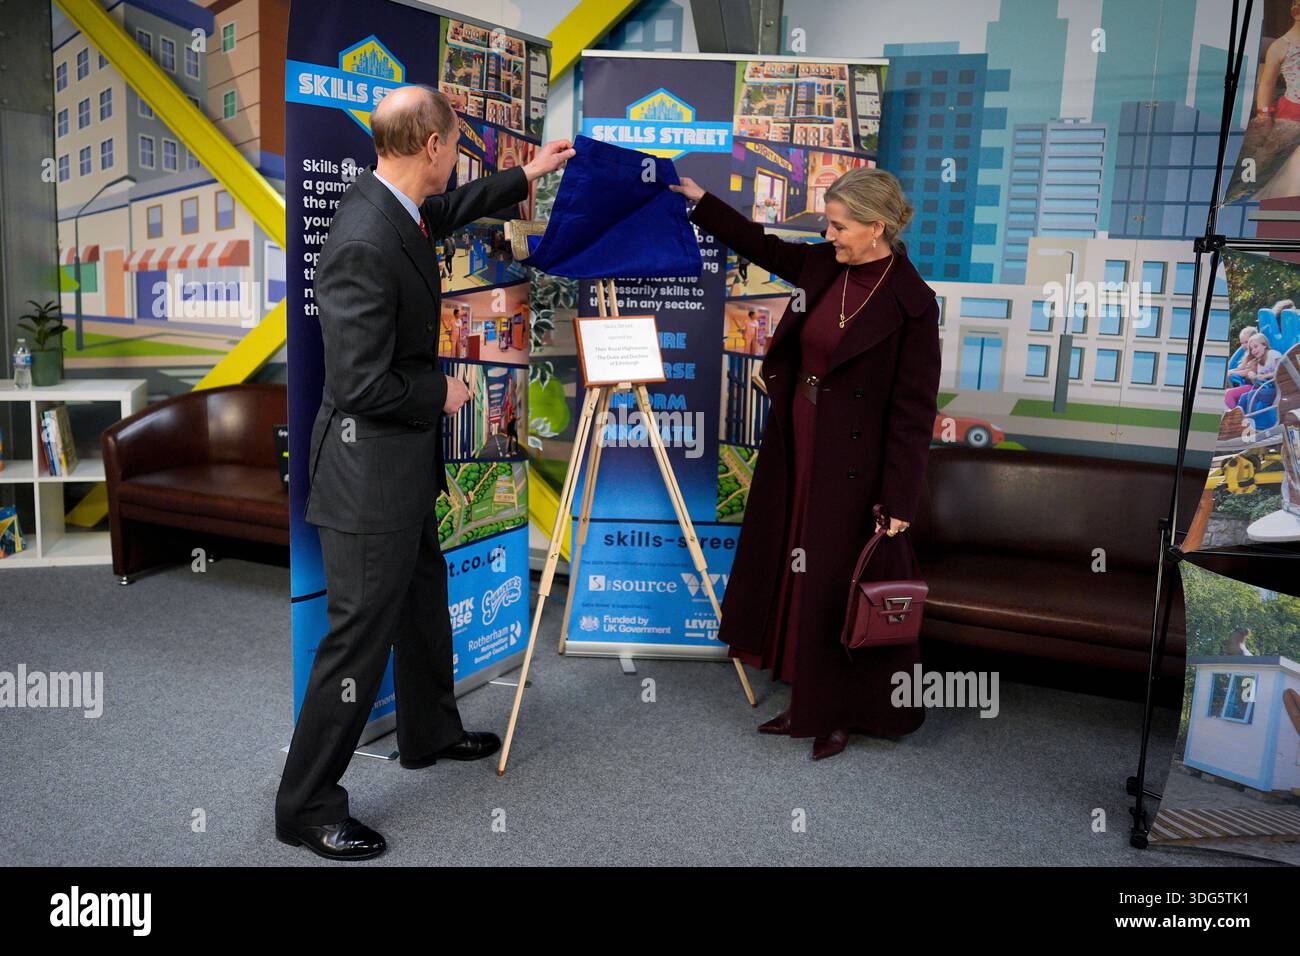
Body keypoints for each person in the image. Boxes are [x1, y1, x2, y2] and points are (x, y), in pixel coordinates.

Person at [275, 84, 573, 860]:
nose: (457, 157)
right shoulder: (364, 238)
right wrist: (444, 390)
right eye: (456, 145)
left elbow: (441, 215)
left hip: (398, 471)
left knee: (421, 599)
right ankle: (306, 803)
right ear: (434, 146)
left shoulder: (398, 206)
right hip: (365, 475)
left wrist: (525, 175)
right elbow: (359, 384)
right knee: (356, 642)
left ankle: (431, 732)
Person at [671, 167, 940, 761]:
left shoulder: (913, 304)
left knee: (836, 588)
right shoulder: (822, 266)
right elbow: (762, 246)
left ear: (876, 228)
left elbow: (914, 411)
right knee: (794, 569)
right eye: (827, 220)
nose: (829, 232)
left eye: (839, 225)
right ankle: (804, 694)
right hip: (796, 448)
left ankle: (837, 713)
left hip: (855, 471)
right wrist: (702, 202)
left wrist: (899, 501)